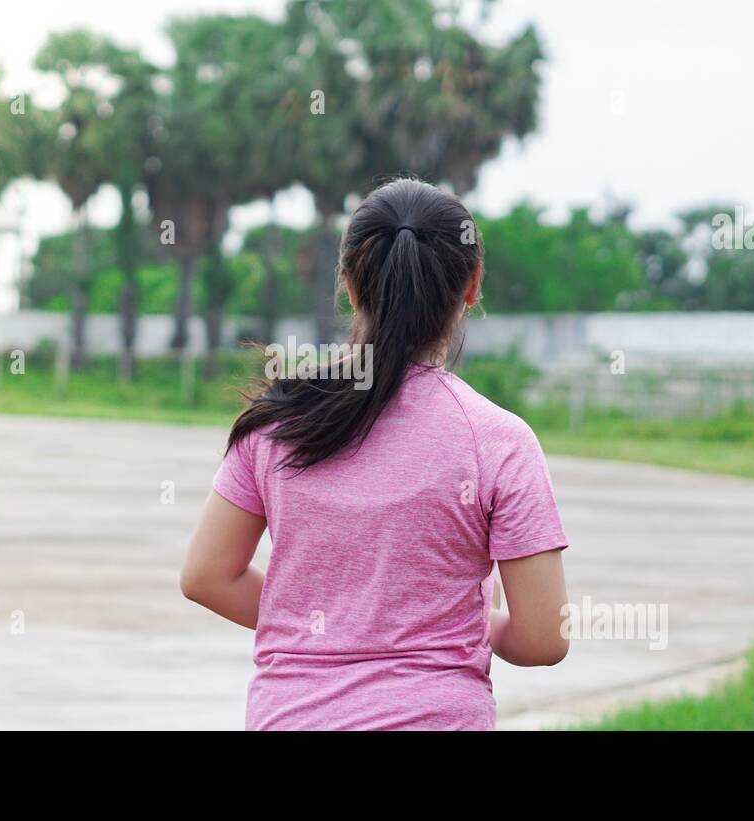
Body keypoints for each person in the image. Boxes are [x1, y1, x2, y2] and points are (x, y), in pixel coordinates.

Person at [181, 178, 569, 730]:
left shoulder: (279, 421)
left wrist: (318, 625)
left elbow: (206, 576)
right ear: (472, 285)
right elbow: (543, 639)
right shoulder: (498, 441)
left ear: (349, 286)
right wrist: (456, 624)